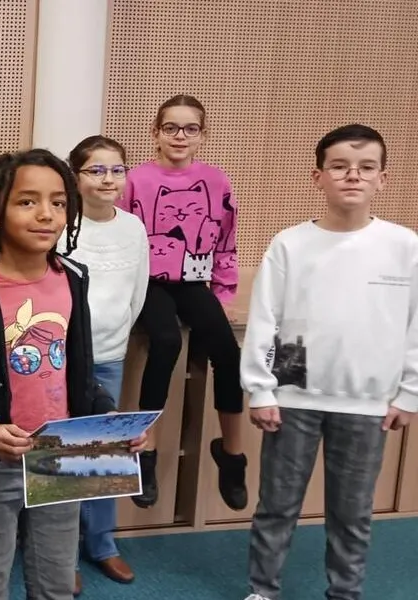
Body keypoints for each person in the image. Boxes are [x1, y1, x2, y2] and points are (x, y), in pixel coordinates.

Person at [0, 149, 147, 600]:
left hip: (64, 449)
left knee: (56, 578)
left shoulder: (73, 277)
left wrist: (110, 420)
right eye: (27, 201)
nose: (47, 214)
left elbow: (80, 372)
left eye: (59, 202)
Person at [240, 124, 418, 600]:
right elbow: (266, 319)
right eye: (339, 167)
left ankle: (345, 592)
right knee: (277, 504)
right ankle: (262, 589)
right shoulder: (290, 244)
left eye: (366, 168)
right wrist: (261, 388)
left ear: (383, 178)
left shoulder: (405, 247)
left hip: (369, 402)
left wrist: (410, 394)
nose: (352, 177)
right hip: (294, 396)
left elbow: (416, 327)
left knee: (353, 511)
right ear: (318, 177)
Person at [118, 94, 247, 510]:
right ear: (156, 133)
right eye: (170, 127)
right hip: (149, 282)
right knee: (167, 341)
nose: (179, 136)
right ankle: (147, 452)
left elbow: (226, 238)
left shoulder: (217, 180)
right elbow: (120, 235)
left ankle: (231, 452)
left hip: (193, 282)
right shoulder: (135, 180)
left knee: (227, 350)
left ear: (202, 136)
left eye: (190, 128)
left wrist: (224, 290)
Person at [57, 136, 148, 594]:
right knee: (67, 452)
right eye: (96, 170)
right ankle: (64, 552)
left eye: (116, 169)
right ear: (76, 177)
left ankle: (103, 543)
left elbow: (138, 294)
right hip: (64, 357)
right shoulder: (60, 224)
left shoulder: (133, 227)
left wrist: (112, 339)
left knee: (106, 450)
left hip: (110, 352)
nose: (108, 179)